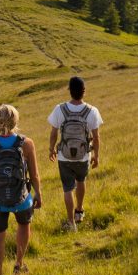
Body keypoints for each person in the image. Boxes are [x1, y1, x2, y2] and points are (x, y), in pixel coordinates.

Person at [0, 104, 42, 275]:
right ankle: (19, 264)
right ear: (16, 121)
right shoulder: (26, 143)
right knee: (23, 226)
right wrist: (38, 194)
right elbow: (34, 174)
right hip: (22, 198)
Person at [47, 76, 102, 231]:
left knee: (67, 188)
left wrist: (51, 149)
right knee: (81, 180)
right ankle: (79, 210)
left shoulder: (60, 109)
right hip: (83, 155)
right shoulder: (92, 111)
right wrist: (96, 156)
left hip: (64, 156)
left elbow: (53, 133)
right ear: (84, 91)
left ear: (69, 91)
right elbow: (96, 137)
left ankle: (71, 223)